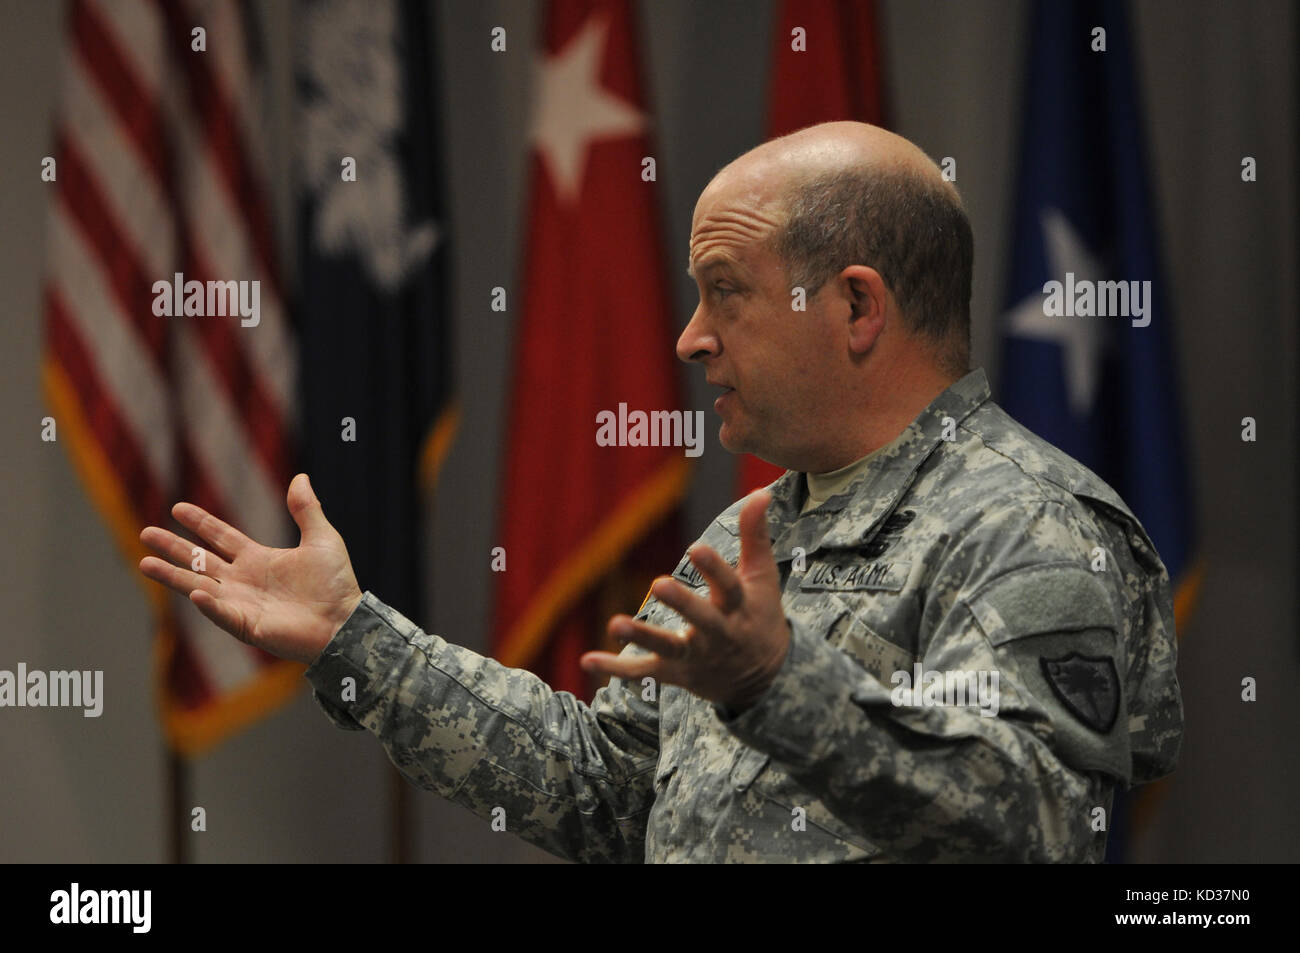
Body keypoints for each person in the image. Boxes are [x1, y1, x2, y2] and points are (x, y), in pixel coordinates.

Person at [138, 121, 1182, 863]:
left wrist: (785, 687)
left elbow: (1040, 823)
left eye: (724, 290)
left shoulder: (1029, 524)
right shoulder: (752, 530)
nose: (688, 337)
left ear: (857, 305)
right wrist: (353, 639)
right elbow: (605, 788)